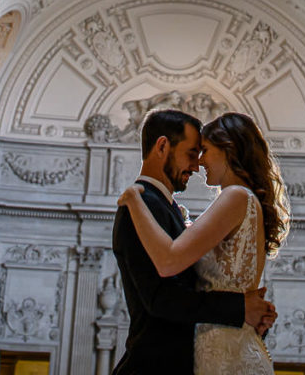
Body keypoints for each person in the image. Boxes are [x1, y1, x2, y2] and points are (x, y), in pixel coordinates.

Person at [117, 111, 289, 375]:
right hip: (209, 353)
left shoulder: (235, 197)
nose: (198, 163)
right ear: (162, 146)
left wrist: (133, 199)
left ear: (228, 149)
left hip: (222, 355)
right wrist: (241, 309)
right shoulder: (238, 200)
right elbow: (162, 297)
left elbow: (170, 261)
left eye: (204, 151)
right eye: (193, 153)